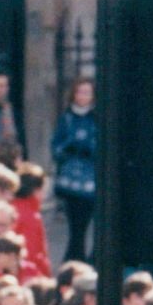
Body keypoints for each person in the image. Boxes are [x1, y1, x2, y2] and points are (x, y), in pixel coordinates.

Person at [50, 76, 98, 262]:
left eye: (87, 92)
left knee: (87, 222)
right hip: (70, 181)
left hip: (89, 182)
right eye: (79, 92)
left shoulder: (96, 118)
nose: (83, 96)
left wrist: (90, 148)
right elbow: (55, 145)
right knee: (75, 228)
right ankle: (74, 259)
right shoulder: (67, 118)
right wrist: (67, 148)